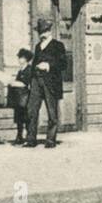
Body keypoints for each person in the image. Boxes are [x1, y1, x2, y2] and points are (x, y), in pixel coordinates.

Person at [23, 17, 66, 149]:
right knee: (31, 110)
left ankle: (50, 140)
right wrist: (30, 80)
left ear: (49, 32)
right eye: (40, 32)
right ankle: (31, 139)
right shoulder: (38, 47)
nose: (42, 34)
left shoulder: (58, 46)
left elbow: (63, 64)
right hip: (36, 81)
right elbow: (34, 63)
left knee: (52, 112)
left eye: (44, 31)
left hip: (51, 83)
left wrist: (48, 65)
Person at [7, 48, 33, 145]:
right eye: (19, 57)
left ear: (26, 59)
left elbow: (25, 84)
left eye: (21, 57)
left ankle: (29, 136)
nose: (19, 59)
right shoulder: (20, 70)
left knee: (26, 117)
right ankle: (19, 136)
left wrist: (13, 83)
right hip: (18, 97)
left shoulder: (29, 70)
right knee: (18, 118)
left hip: (25, 97)